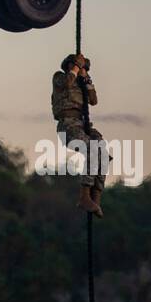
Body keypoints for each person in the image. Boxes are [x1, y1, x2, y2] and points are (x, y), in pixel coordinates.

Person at [51, 53, 110, 216]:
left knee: (102, 152)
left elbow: (93, 100)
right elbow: (67, 83)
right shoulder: (60, 78)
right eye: (77, 66)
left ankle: (95, 197)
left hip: (82, 124)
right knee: (91, 149)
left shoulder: (82, 84)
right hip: (67, 125)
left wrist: (86, 79)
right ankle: (84, 196)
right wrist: (76, 67)